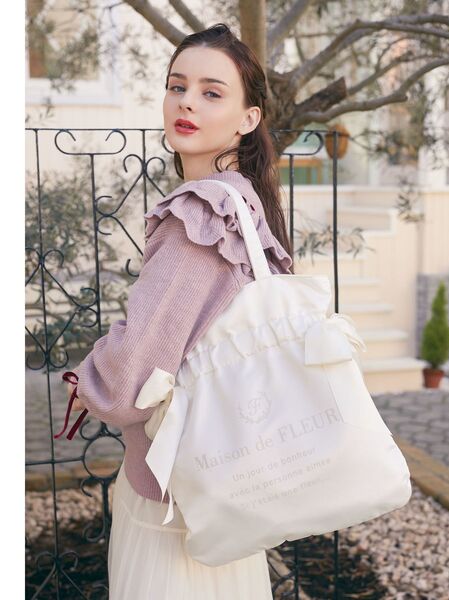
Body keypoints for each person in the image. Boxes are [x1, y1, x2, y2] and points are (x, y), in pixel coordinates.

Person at [64, 22, 294, 599]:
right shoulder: (244, 204)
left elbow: (135, 370)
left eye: (212, 92)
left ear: (248, 118)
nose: (187, 102)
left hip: (174, 501)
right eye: (177, 86)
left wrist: (87, 380)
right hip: (226, 477)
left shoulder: (202, 215)